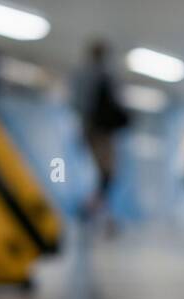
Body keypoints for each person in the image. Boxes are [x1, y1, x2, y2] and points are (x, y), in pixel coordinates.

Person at [73, 39, 127, 224]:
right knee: (106, 174)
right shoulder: (106, 76)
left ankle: (95, 208)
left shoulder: (80, 75)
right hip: (101, 131)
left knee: (99, 173)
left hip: (90, 129)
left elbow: (77, 104)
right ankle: (94, 209)